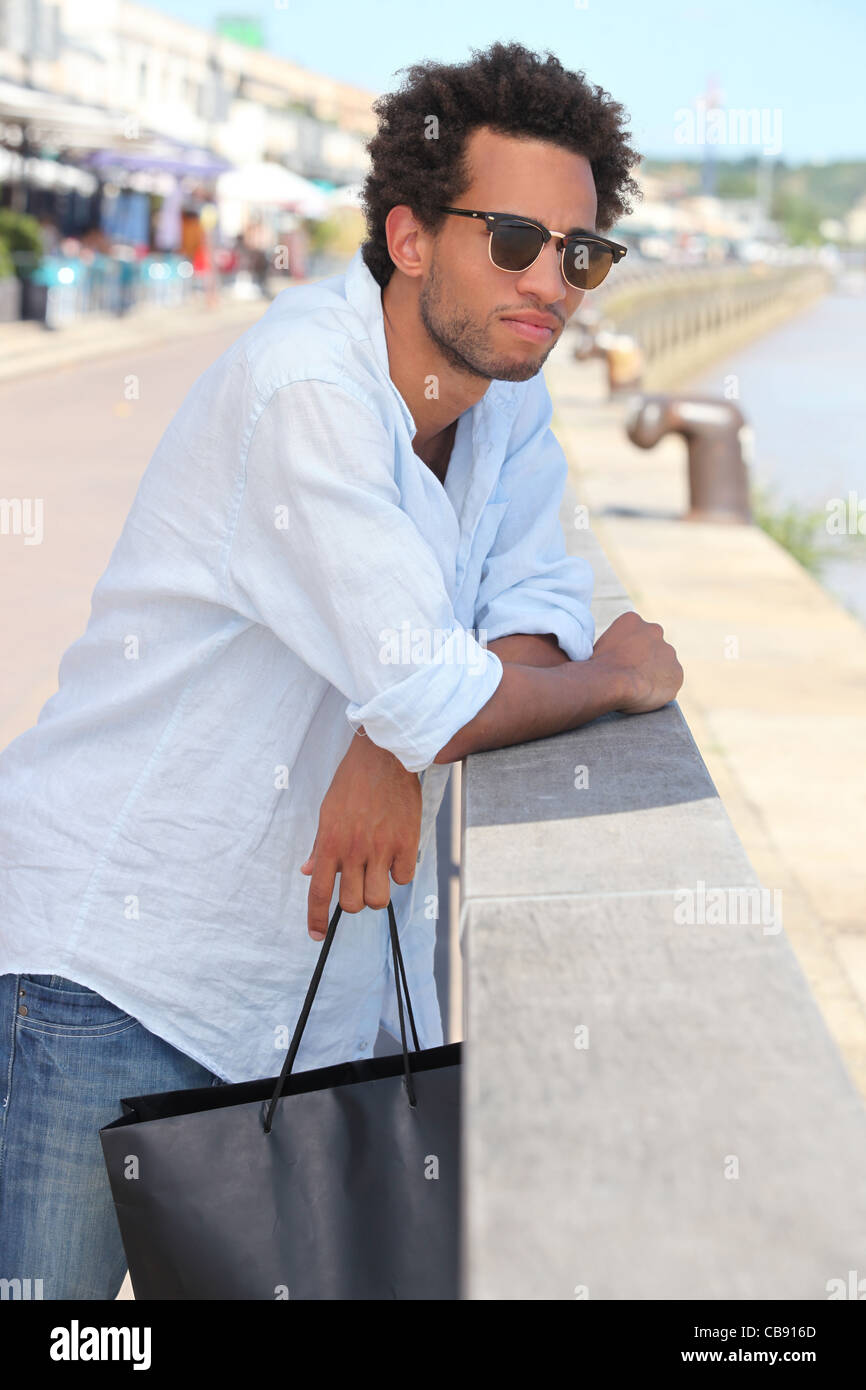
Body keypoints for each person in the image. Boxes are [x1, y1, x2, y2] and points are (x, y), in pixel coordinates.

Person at [0, 41, 682, 1300]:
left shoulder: (507, 385)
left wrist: (392, 736)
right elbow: (448, 682)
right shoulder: (307, 385)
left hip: (305, 989)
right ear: (410, 235)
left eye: (581, 255)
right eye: (517, 239)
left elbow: (516, 616)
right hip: (111, 967)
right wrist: (615, 682)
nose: (551, 283)